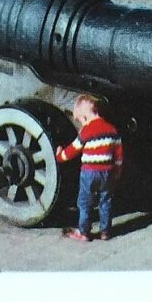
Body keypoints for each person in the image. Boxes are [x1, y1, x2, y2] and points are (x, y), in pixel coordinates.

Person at [55, 93, 124, 241]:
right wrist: (117, 172)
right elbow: (118, 155)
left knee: (84, 202)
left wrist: (59, 156)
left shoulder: (86, 131)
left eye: (80, 120)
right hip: (107, 172)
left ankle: (84, 232)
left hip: (89, 173)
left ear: (85, 117)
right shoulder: (112, 130)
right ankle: (105, 232)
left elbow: (72, 150)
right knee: (106, 202)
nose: (81, 124)